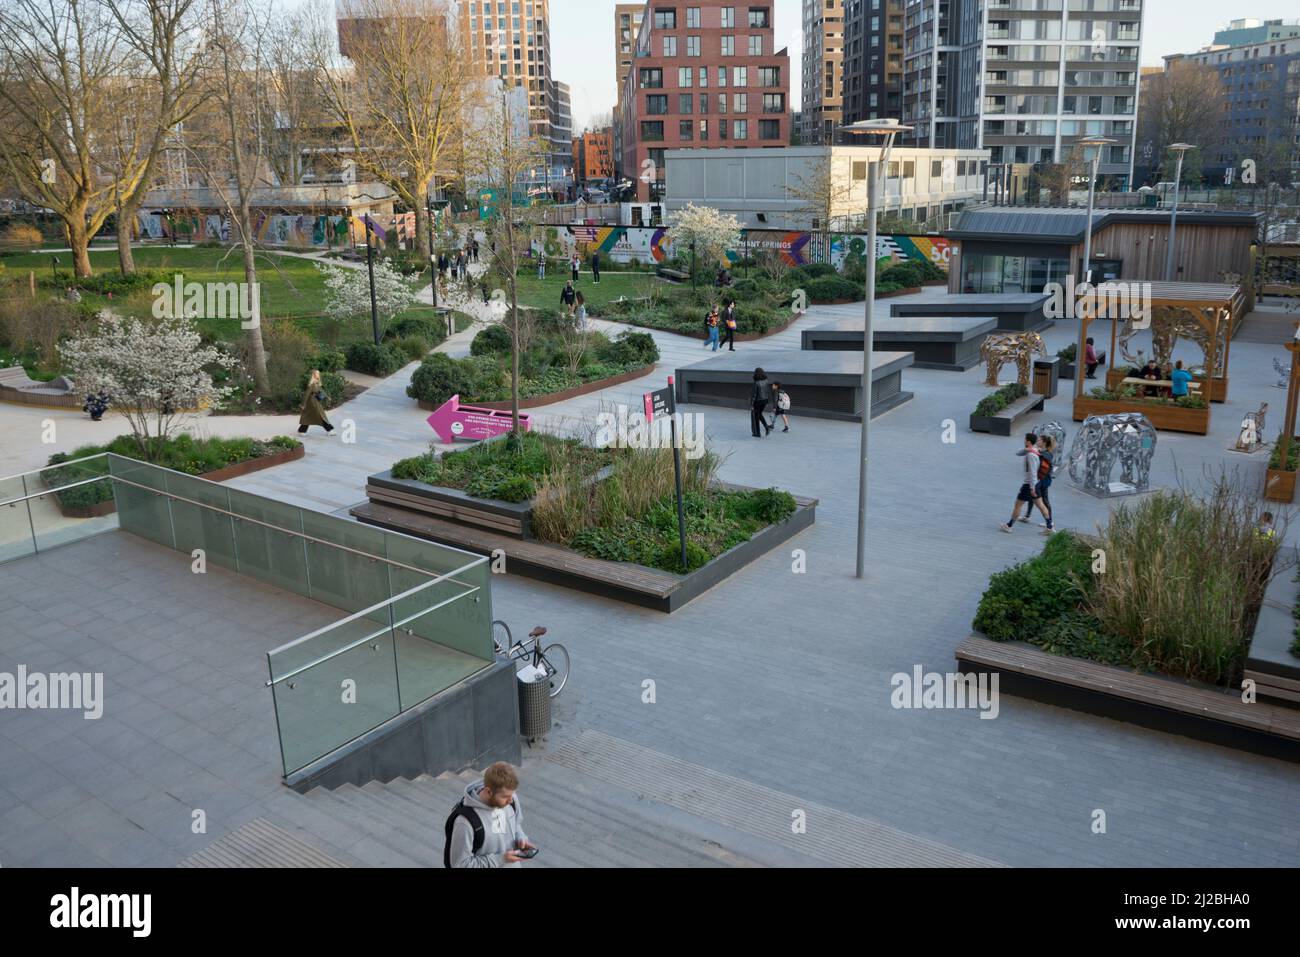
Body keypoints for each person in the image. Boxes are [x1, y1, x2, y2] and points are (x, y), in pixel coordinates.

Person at [443, 761, 536, 868]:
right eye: (505, 797)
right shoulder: (465, 822)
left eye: (513, 794)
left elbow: (516, 824)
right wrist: (501, 859)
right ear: (488, 792)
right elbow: (460, 865)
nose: (511, 800)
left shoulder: (511, 799)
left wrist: (521, 838)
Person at [1001, 433, 1042, 532]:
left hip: (1029, 485)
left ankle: (1009, 526)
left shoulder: (1031, 455)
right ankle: (1050, 525)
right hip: (1034, 484)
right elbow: (1018, 453)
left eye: (1025, 440)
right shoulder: (1034, 450)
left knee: (1017, 505)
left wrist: (1032, 487)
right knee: (1041, 505)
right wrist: (1026, 449)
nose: (1024, 441)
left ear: (1028, 441)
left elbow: (1032, 472)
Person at [1017, 434, 1055, 533]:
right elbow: (1019, 453)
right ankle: (1028, 516)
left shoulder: (1047, 454)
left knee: (1044, 500)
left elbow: (1039, 460)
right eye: (1037, 440)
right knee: (1033, 498)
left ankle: (1050, 522)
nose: (1037, 442)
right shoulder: (1040, 451)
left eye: (1039, 440)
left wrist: (1033, 450)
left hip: (1043, 480)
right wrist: (1031, 449)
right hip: (1038, 480)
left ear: (1044, 443)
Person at [298, 370, 335, 436]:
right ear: (314, 375)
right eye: (317, 373)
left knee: (309, 416)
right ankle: (329, 430)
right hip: (312, 402)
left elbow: (321, 392)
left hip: (316, 401)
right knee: (320, 415)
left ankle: (302, 431)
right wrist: (303, 404)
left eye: (318, 373)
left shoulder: (317, 383)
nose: (318, 375)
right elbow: (306, 394)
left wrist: (327, 397)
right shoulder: (312, 384)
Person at [750, 368, 772, 437]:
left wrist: (751, 404)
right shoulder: (766, 381)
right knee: (758, 414)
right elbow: (768, 391)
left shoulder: (756, 383)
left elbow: (754, 395)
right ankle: (766, 428)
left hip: (758, 401)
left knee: (756, 416)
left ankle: (758, 433)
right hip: (765, 401)